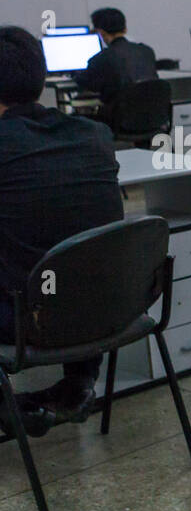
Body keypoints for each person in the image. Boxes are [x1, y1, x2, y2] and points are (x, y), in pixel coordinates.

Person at [0, 26, 124, 433]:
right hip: (111, 309)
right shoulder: (96, 136)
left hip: (32, 321)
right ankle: (79, 383)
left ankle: (6, 409)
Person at [74, 7, 158, 128]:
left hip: (120, 120)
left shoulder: (101, 58)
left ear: (100, 32)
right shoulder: (147, 51)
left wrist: (75, 75)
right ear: (125, 29)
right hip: (152, 118)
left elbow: (84, 82)